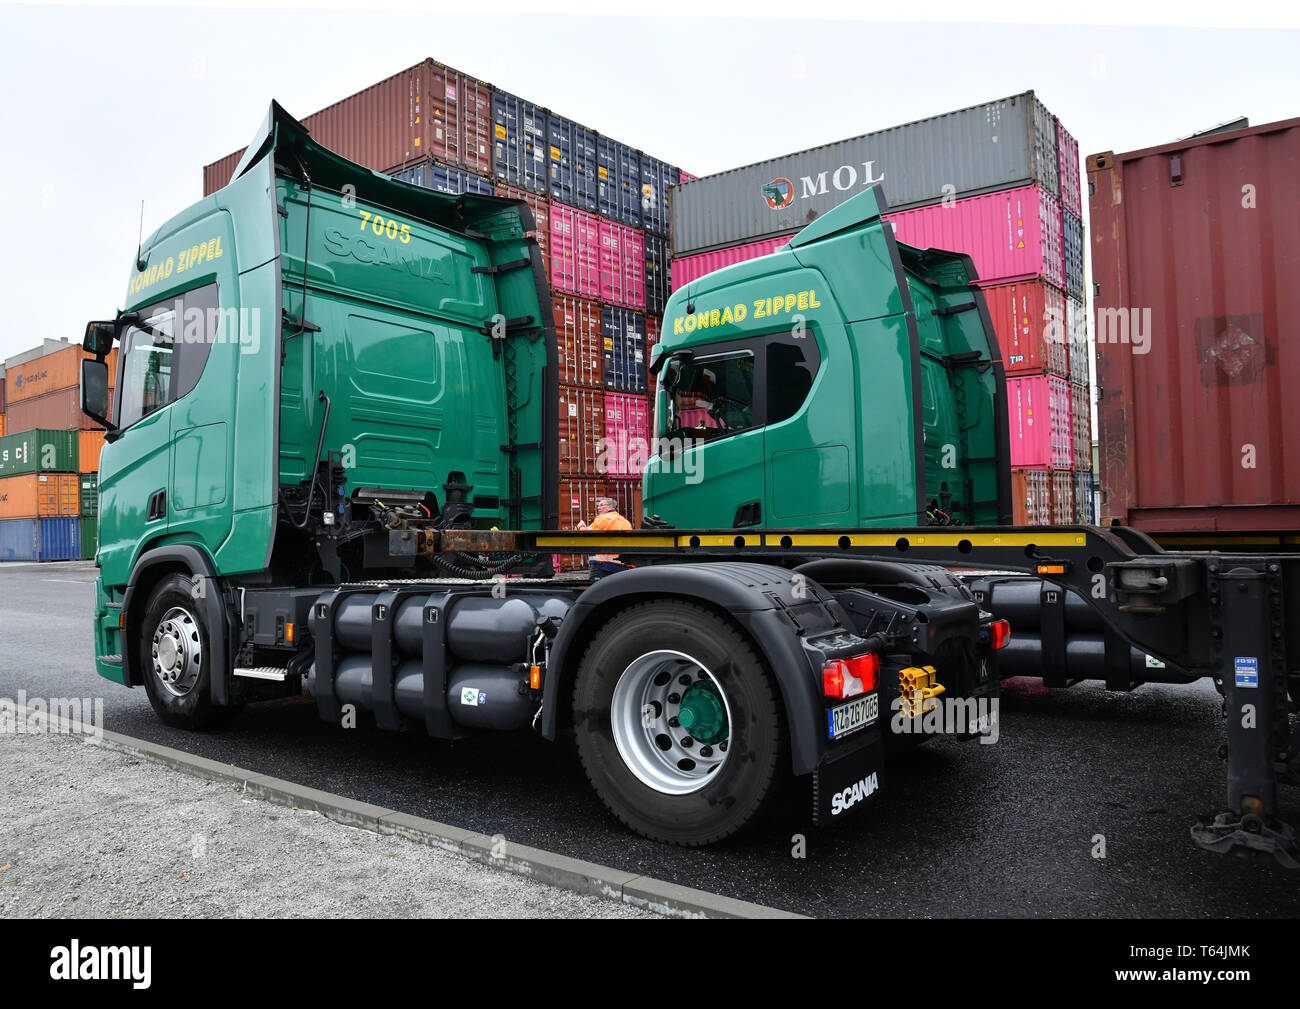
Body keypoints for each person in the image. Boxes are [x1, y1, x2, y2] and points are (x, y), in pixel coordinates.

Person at [577, 496, 633, 579]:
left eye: (601, 505)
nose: (598, 507)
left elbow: (586, 534)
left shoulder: (602, 518)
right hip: (621, 564)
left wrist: (581, 526)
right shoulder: (625, 522)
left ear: (610, 507)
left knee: (595, 589)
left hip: (602, 564)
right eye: (598, 505)